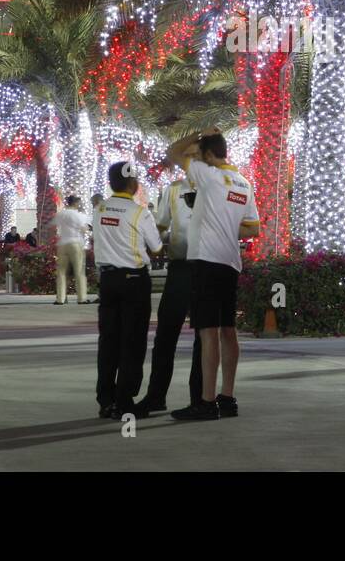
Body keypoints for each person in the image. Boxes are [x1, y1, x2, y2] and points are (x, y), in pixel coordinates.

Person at [165, 127, 260, 421]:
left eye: (200, 154)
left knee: (208, 333)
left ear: (207, 155)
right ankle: (227, 397)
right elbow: (253, 228)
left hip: (205, 261)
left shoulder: (209, 175)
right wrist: (225, 225)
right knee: (228, 330)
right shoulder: (243, 183)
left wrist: (195, 134)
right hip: (230, 263)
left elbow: (173, 152)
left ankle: (206, 402)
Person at [93, 161, 163, 419]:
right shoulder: (139, 212)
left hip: (108, 282)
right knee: (132, 342)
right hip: (134, 281)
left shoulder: (99, 209)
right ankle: (125, 400)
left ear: (112, 183)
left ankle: (105, 399)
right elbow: (156, 248)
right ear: (133, 184)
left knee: (108, 340)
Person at [134, 173, 203, 417]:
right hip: (180, 267)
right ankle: (156, 396)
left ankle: (200, 399)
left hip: (208, 266)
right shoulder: (173, 189)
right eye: (189, 156)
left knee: (204, 337)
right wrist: (155, 237)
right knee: (165, 334)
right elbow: (161, 224)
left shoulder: (218, 183)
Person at [51, 195, 92, 305]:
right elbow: (85, 229)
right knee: (79, 271)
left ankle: (60, 299)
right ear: (76, 203)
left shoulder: (61, 214)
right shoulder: (79, 215)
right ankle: (81, 298)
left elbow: (53, 224)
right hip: (75, 243)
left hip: (62, 244)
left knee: (61, 272)